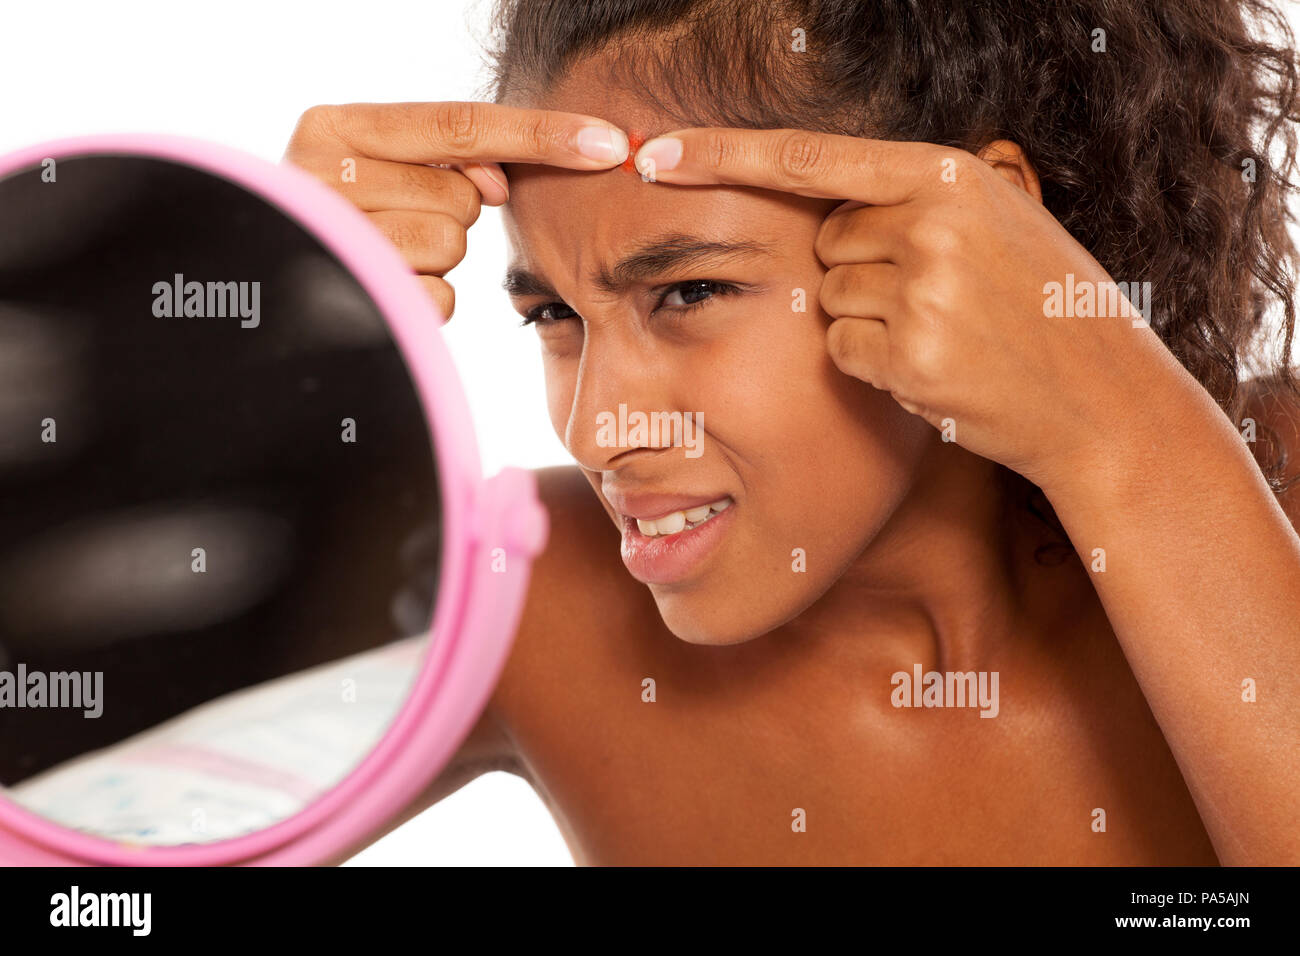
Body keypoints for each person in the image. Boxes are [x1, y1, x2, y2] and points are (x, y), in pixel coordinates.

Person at [285, 0, 1300, 864]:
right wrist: (224, 323)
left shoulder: (1282, 483)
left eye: (689, 289)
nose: (599, 427)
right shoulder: (528, 601)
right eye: (552, 314)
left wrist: (1119, 430)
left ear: (981, 233)